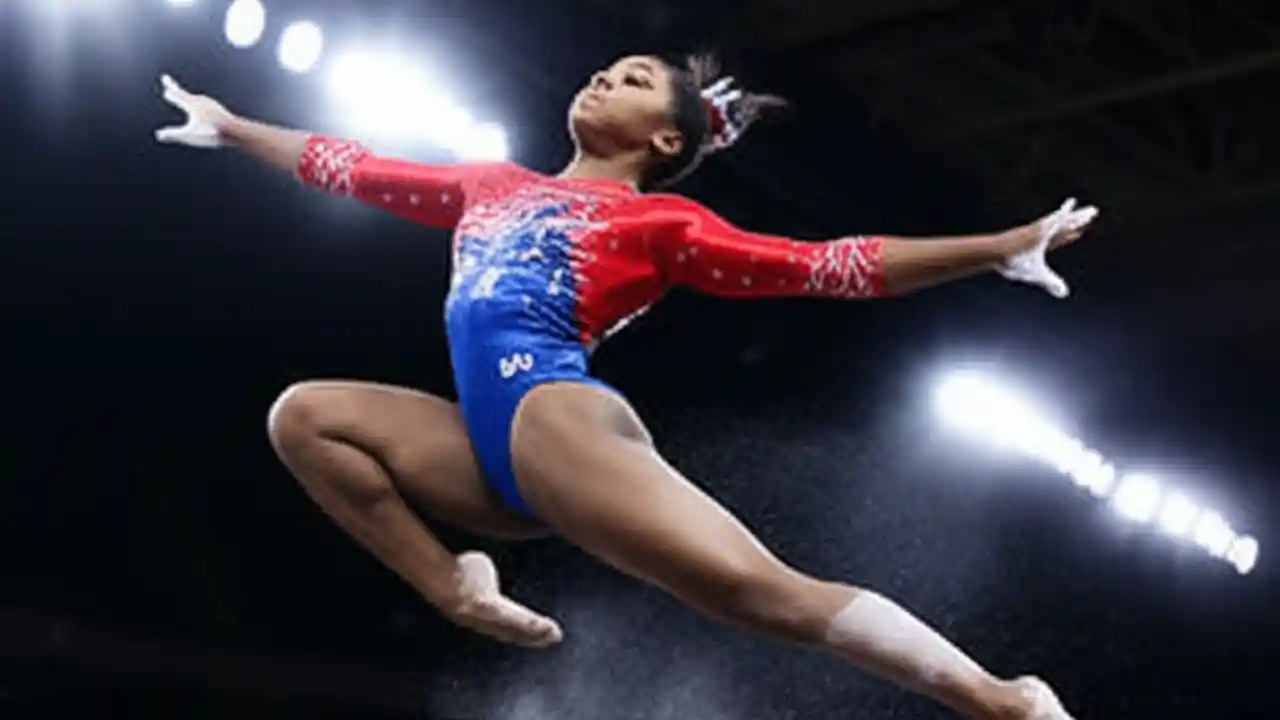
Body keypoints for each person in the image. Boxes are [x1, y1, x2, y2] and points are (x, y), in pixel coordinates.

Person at [155, 53, 1096, 719]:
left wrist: (998, 250)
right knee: (308, 417)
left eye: (635, 80)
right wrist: (235, 128)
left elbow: (824, 264)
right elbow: (354, 166)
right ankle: (456, 589)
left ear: (663, 137)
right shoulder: (491, 184)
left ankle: (999, 700)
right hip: (491, 454)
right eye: (605, 69)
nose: (605, 78)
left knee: (761, 596)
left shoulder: (660, 221)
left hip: (554, 415)